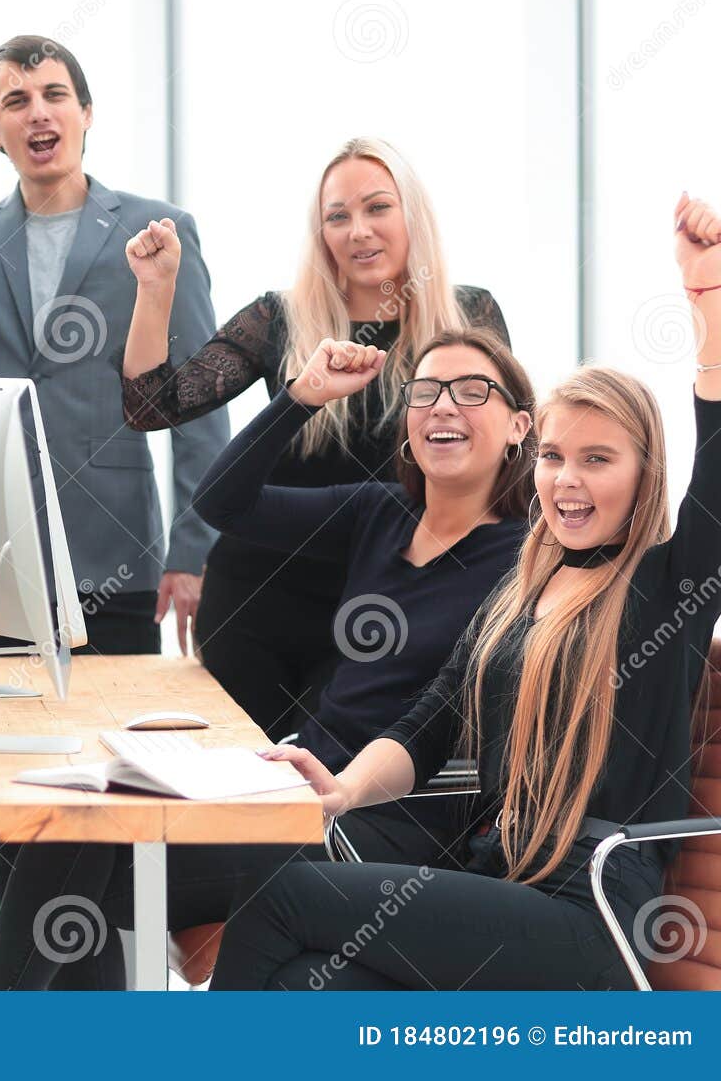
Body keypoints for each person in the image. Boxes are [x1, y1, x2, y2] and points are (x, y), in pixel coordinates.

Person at [0, 216, 535, 989]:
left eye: (472, 393)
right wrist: (299, 397)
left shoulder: (528, 559)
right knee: (54, 842)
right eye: (427, 391)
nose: (444, 406)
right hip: (286, 787)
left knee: (83, 858)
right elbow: (223, 499)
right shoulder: (379, 512)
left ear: (519, 425)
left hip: (371, 824)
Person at [211, 193, 721, 991]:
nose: (567, 481)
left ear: (644, 472)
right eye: (554, 457)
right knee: (311, 982)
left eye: (597, 459)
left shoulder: (668, 585)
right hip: (498, 883)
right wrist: (344, 789)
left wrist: (707, 309)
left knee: (283, 896)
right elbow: (427, 726)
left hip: (588, 912)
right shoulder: (521, 590)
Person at [121, 137, 507, 742]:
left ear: (413, 215)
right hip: (255, 602)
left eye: (377, 207)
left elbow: (507, 455)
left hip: (386, 609)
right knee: (233, 807)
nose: (358, 230)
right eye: (338, 216)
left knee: (326, 805)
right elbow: (150, 406)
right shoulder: (282, 318)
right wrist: (155, 289)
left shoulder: (468, 317)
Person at [0, 40, 227, 661]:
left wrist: (195, 549)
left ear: (86, 112)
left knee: (111, 744)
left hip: (113, 551)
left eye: (55, 95)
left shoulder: (159, 231)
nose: (38, 113)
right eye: (16, 101)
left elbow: (198, 404)